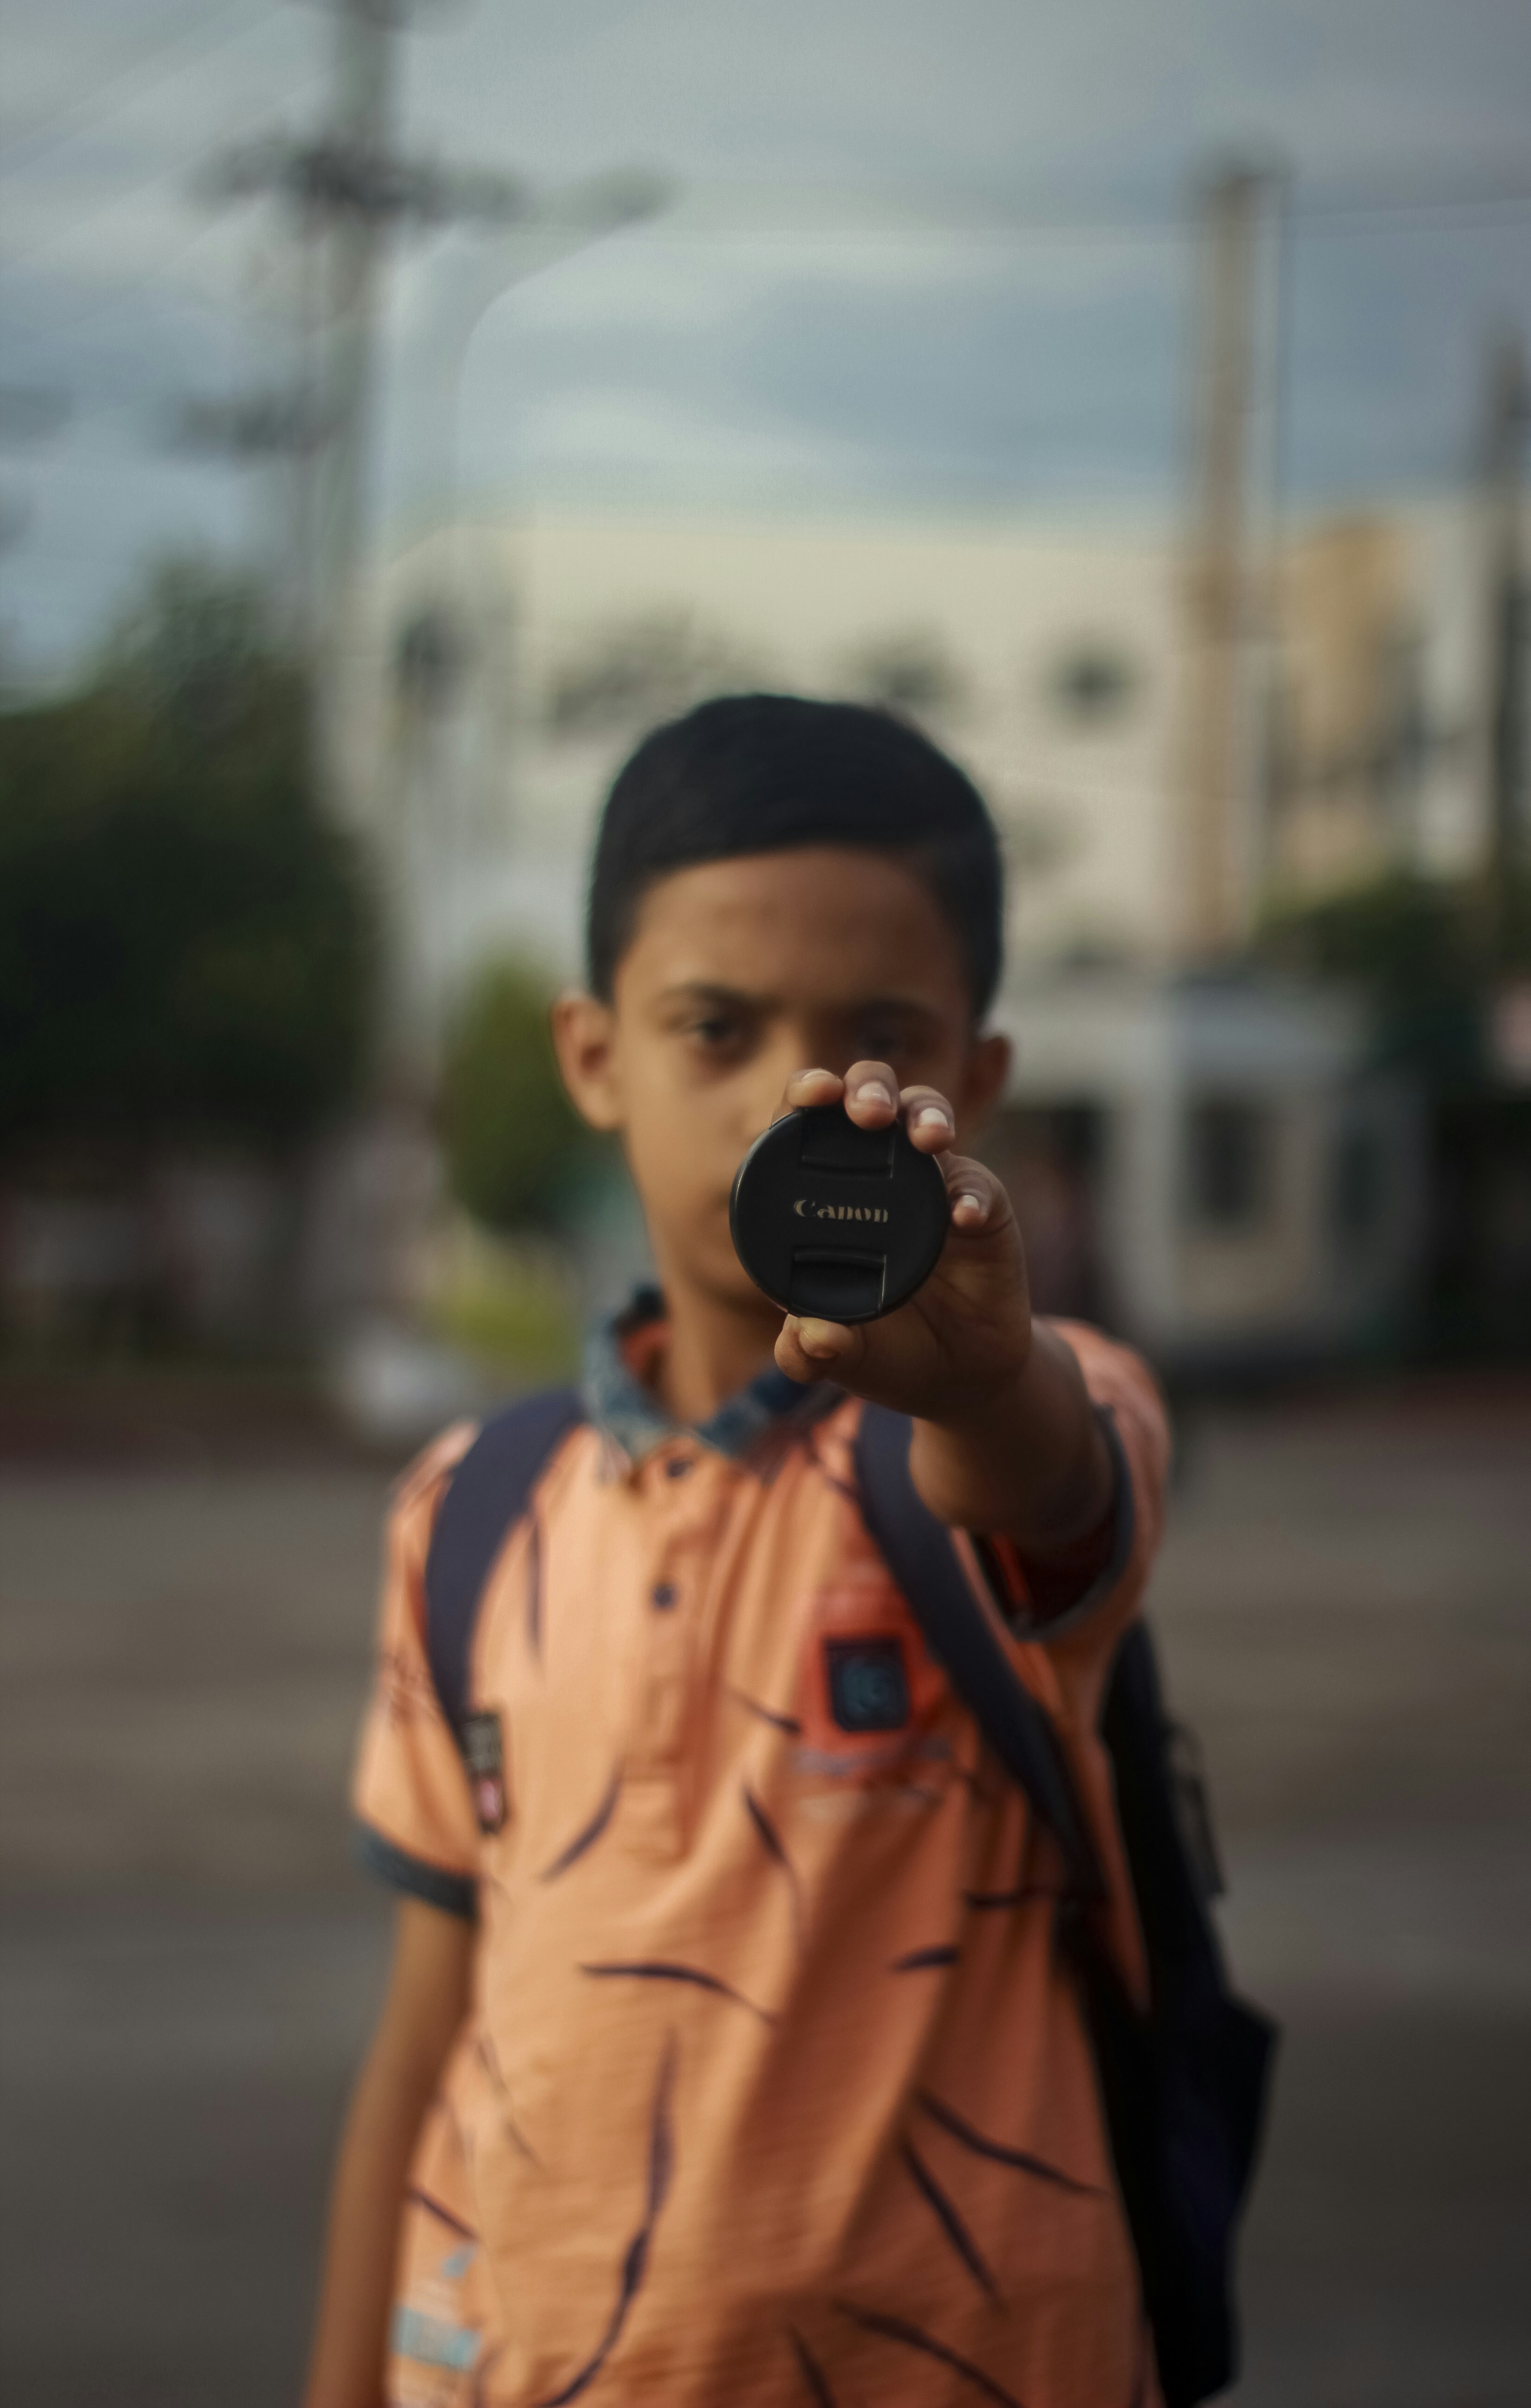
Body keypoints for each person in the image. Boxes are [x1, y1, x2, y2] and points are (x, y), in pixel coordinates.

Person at [302, 694, 1172, 2408]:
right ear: (594, 1058)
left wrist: (985, 1379)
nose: (793, 1100)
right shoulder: (468, 1512)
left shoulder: (1030, 1412)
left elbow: (1051, 1486)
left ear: (981, 1082)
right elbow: (425, 2037)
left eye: (880, 1042)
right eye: (715, 1027)